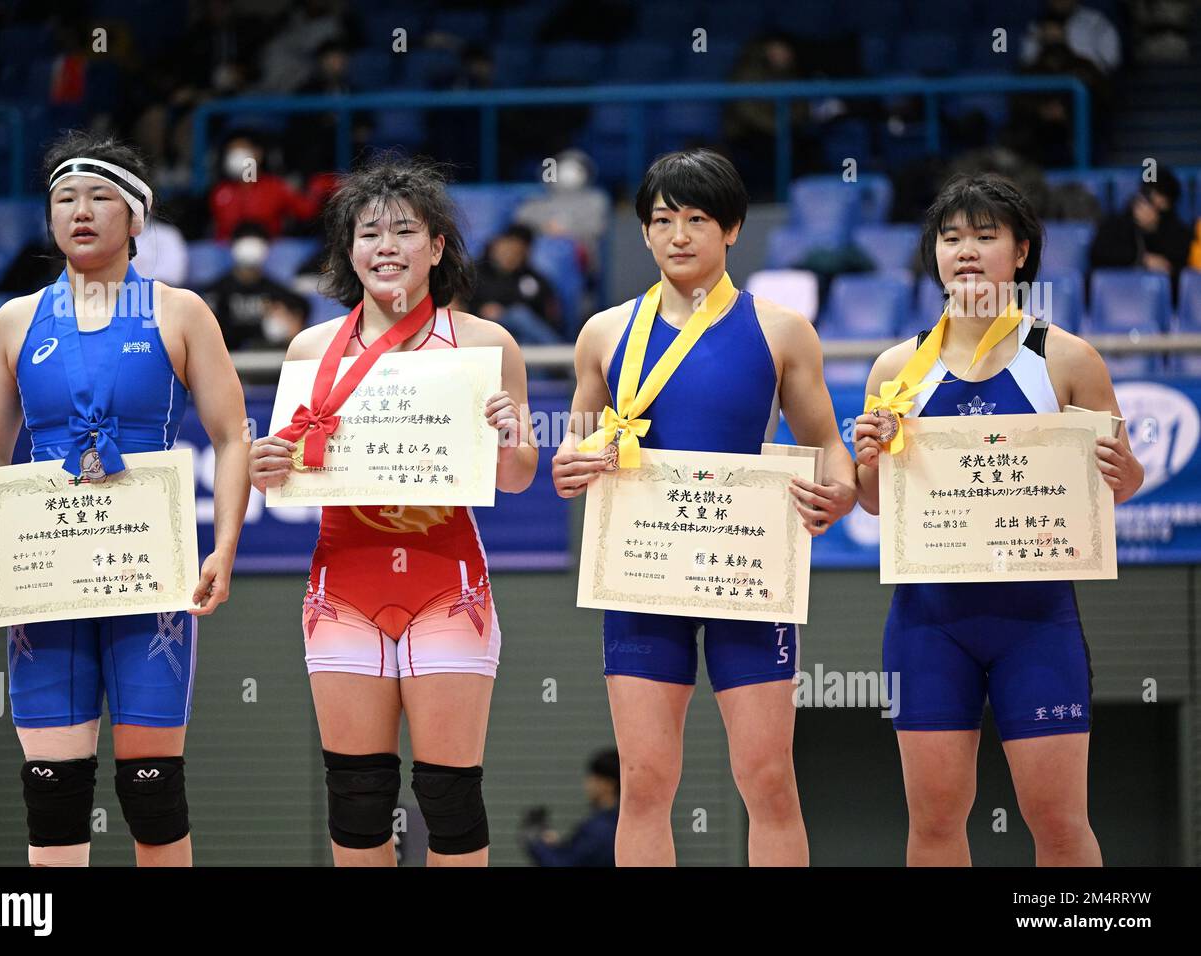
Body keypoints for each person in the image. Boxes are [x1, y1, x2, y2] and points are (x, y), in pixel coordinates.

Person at [551, 148, 858, 866]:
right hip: (643, 576)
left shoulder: (781, 331)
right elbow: (576, 447)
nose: (679, 235)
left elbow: (828, 446)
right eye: (662, 220)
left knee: (768, 780)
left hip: (744, 578)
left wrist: (839, 488)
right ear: (645, 232)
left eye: (697, 219)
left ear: (733, 230)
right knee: (646, 782)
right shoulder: (603, 332)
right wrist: (569, 467)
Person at [0, 131, 251, 866]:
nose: (79, 212)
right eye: (63, 199)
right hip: (44, 570)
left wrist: (226, 545)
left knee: (151, 794)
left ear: (136, 217)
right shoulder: (16, 321)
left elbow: (234, 435)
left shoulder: (179, 313)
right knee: (54, 796)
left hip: (145, 569)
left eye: (98, 197)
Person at [248, 156, 538, 867]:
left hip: (448, 588)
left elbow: (521, 476)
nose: (385, 246)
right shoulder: (311, 349)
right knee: (357, 797)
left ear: (437, 248)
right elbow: (285, 475)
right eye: (368, 232)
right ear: (349, 251)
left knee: (449, 797)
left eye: (404, 231)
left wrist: (512, 436)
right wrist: (266, 468)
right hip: (343, 589)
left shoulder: (483, 344)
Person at [853, 173, 1145, 866]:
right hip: (928, 625)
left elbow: (1125, 484)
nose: (966, 252)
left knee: (1059, 822)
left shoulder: (1068, 359)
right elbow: (871, 501)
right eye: (951, 238)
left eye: (986, 237)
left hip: (1037, 623)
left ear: (1021, 253)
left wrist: (1118, 469)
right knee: (932, 825)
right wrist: (867, 458)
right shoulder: (897, 369)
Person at [202, 222, 311, 350]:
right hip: (225, 355)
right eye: (244, 239)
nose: (250, 246)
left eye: (256, 240)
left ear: (266, 248)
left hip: (269, 358)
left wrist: (290, 324)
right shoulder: (215, 292)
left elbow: (300, 314)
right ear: (232, 246)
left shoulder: (280, 294)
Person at [1090, 167, 1192, 294]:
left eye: (1160, 198)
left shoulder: (1178, 231)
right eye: (1148, 195)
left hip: (1157, 299)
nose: (1151, 204)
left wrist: (1153, 230)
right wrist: (1142, 259)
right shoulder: (1116, 223)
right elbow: (1099, 254)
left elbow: (1178, 271)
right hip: (1117, 294)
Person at [522, 749, 620, 867]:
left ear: (608, 784)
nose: (587, 784)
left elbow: (564, 863)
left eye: (593, 779)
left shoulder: (601, 829)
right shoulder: (619, 824)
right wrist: (558, 847)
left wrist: (536, 843)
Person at [470, 224, 563, 344]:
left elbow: (547, 314)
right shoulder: (474, 273)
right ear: (496, 246)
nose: (510, 256)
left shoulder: (533, 278)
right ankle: (557, 351)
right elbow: (461, 305)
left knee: (521, 323)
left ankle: (556, 352)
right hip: (484, 328)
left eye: (516, 253)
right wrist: (481, 309)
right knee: (518, 316)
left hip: (520, 336)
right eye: (506, 250)